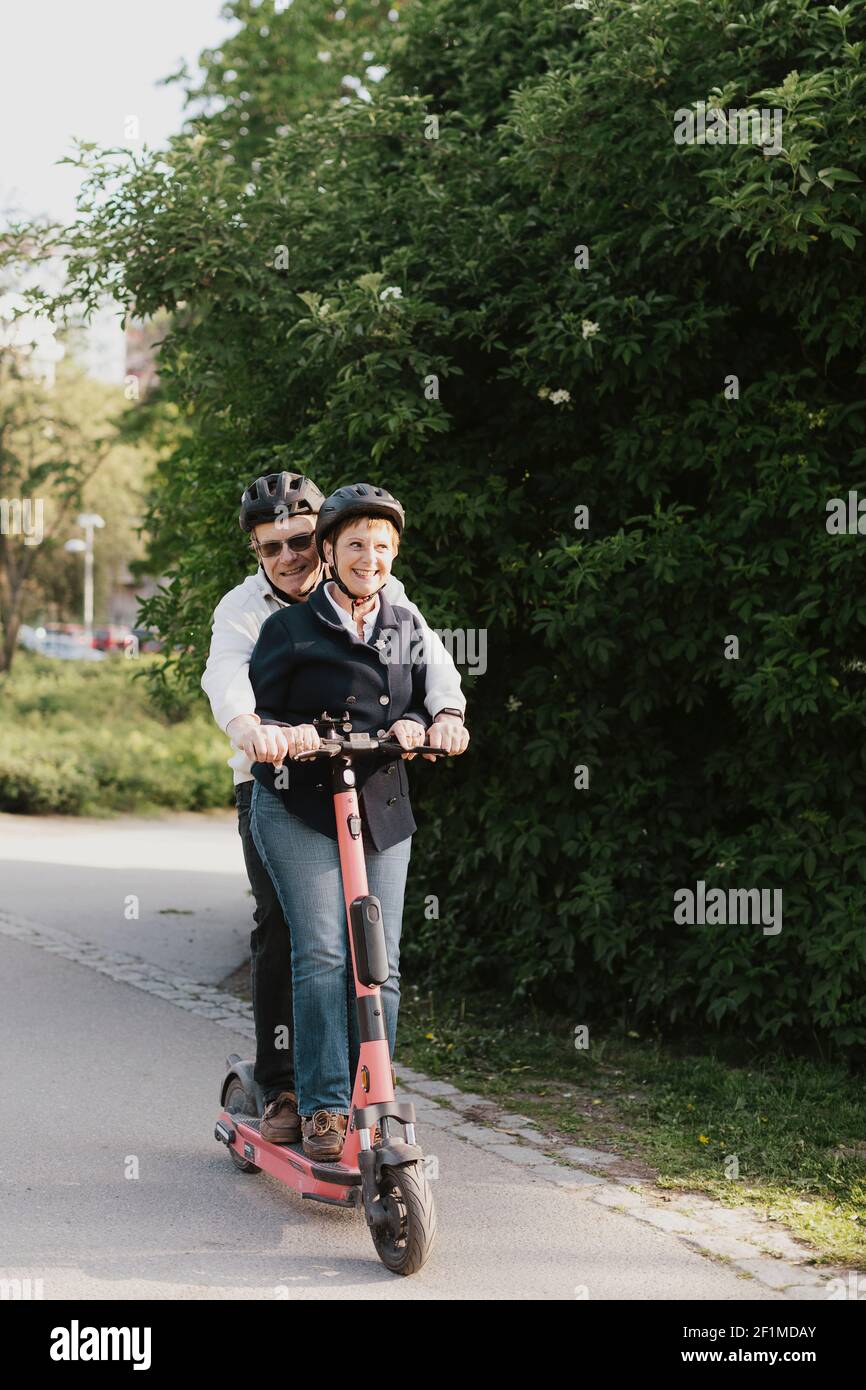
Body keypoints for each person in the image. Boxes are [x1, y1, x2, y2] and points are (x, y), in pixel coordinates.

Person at [201, 471, 468, 1146]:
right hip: (275, 778)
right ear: (258, 555)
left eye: (297, 540)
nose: (287, 557)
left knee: (374, 953)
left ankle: (362, 1090)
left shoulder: (376, 586)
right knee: (289, 933)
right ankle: (290, 1086)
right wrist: (252, 727)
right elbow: (227, 678)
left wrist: (442, 713)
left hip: (365, 783)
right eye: (271, 548)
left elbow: (429, 661)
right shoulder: (247, 609)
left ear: (320, 537)